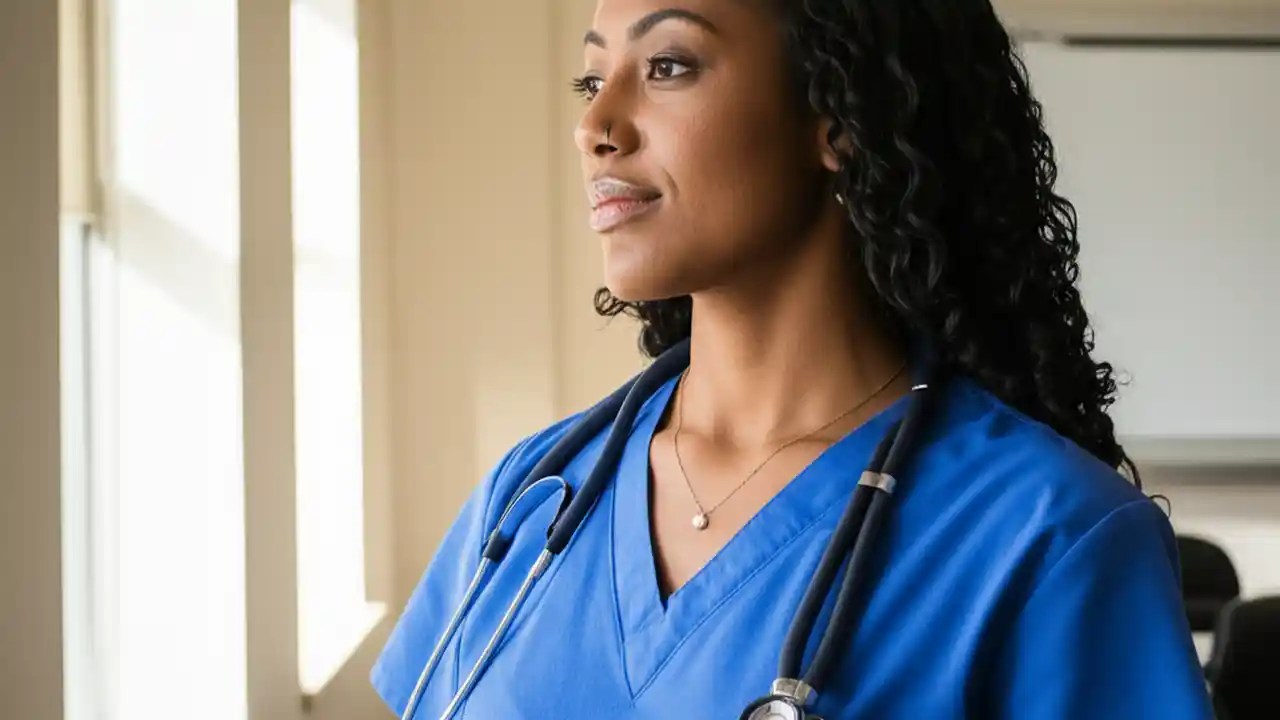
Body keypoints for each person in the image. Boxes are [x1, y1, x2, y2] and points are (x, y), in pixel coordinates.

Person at [372, 0, 1212, 717]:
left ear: (839, 118)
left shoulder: (1049, 535)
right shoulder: (533, 496)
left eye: (667, 66)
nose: (596, 124)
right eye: (594, 81)